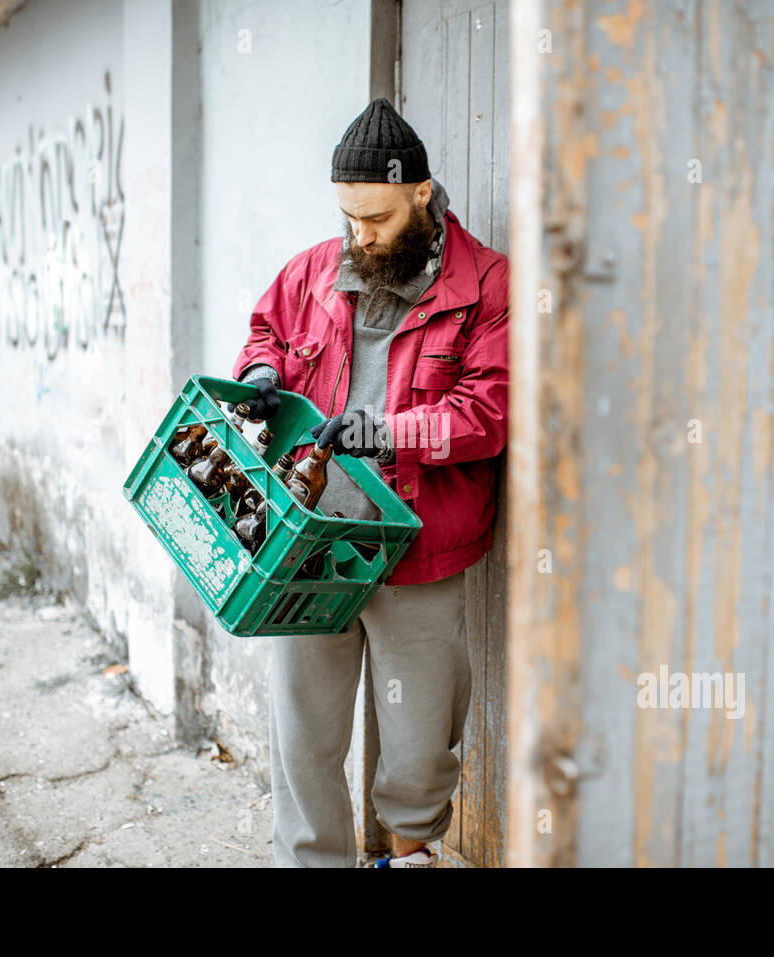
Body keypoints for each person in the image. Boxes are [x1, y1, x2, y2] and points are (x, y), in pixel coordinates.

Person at [231, 97, 508, 868]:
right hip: (308, 543)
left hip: (415, 551)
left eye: (377, 219)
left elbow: (485, 413)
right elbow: (269, 335)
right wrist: (259, 373)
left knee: (419, 747)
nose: (360, 236)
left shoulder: (487, 283)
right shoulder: (315, 269)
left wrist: (384, 433)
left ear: (423, 193)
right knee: (303, 738)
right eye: (350, 217)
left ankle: (411, 857)